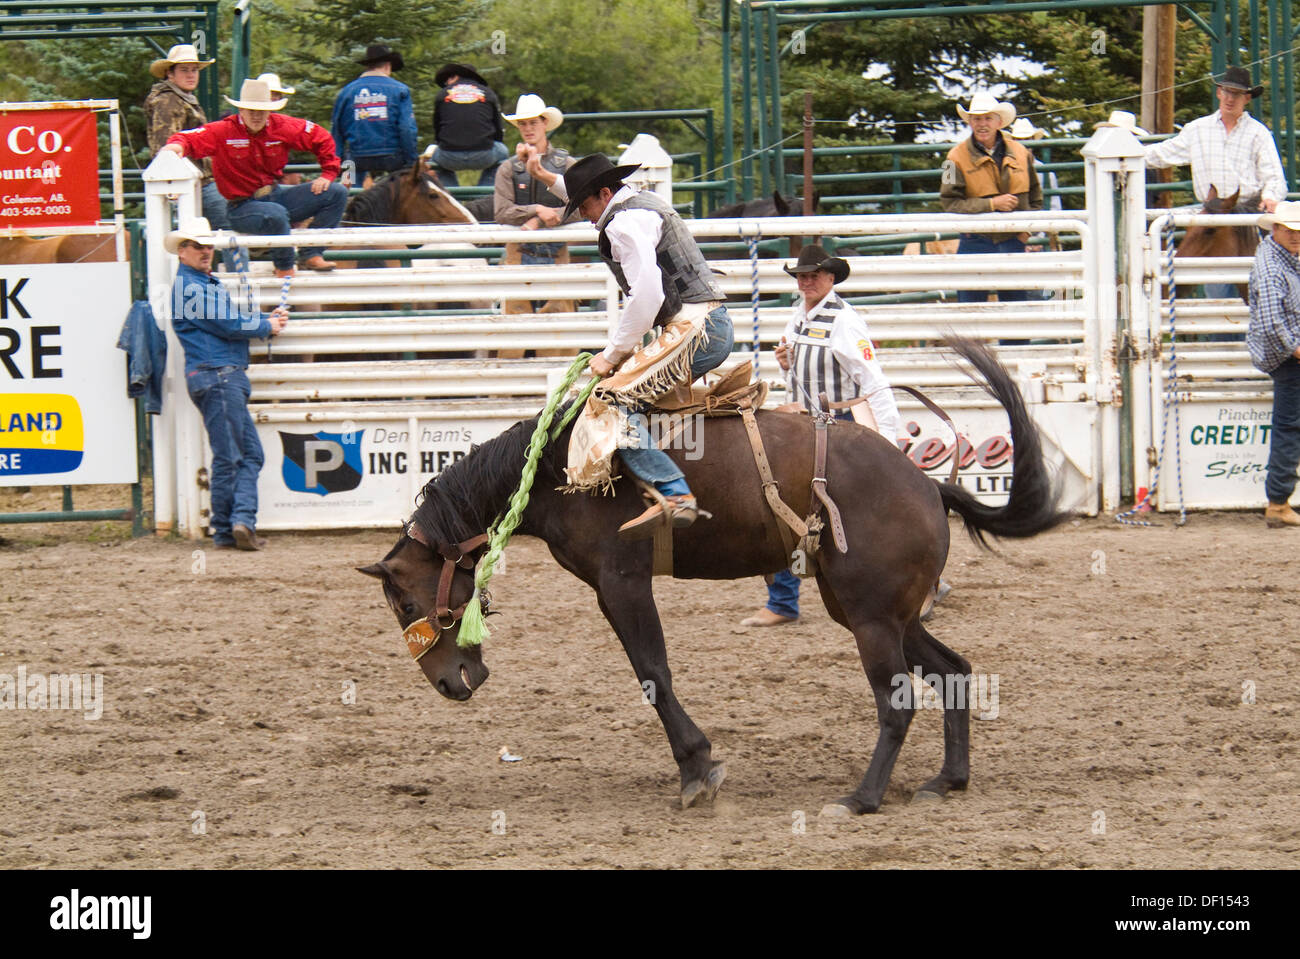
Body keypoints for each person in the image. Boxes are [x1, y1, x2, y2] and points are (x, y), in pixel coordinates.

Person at [541, 154, 735, 539]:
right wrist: (544, 176)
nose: (583, 215)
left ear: (606, 193)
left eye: (584, 206)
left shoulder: (623, 225)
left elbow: (646, 295)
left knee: (610, 399)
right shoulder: (639, 206)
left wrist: (611, 354)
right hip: (703, 322)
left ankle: (675, 493)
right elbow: (582, 190)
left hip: (694, 329)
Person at [739, 246, 904, 627]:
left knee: (843, 515)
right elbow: (799, 376)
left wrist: (887, 439)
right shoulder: (797, 318)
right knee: (788, 509)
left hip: (838, 433)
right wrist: (786, 366)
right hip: (806, 434)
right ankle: (782, 601)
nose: (805, 281)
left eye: (813, 275)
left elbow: (873, 382)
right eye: (800, 276)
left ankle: (784, 602)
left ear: (830, 278)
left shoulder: (844, 321)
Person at [166, 217, 288, 550]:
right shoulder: (193, 288)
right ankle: (239, 522)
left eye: (207, 245)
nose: (205, 251)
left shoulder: (195, 285)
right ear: (183, 251)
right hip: (220, 374)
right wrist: (266, 325)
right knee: (239, 455)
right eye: (197, 246)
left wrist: (264, 322)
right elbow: (229, 324)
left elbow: (226, 323)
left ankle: (228, 527)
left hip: (215, 375)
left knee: (236, 454)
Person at [160, 78, 346, 277]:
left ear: (270, 110)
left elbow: (321, 136)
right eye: (251, 110)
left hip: (275, 197)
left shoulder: (283, 126)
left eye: (262, 111)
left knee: (336, 193)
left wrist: (328, 173)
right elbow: (188, 138)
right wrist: (176, 146)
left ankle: (312, 253)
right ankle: (284, 268)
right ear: (241, 110)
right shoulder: (223, 131)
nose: (256, 116)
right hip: (242, 207)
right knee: (274, 214)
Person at [1145, 66, 1287, 299]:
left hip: (1245, 213)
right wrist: (1130, 155)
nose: (1230, 98)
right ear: (1219, 93)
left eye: (1237, 94)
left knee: (1261, 278)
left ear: (1247, 98)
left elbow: (1274, 176)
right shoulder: (1197, 129)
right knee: (1215, 285)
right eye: (1227, 92)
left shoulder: (1258, 133)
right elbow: (1162, 153)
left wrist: (1270, 196)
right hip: (1212, 213)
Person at [940, 91, 1043, 304]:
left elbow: (1036, 198)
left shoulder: (1022, 153)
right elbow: (949, 203)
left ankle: (1015, 339)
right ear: (970, 122)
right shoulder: (952, 158)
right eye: (977, 119)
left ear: (999, 122)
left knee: (1016, 309)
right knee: (970, 309)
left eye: (988, 118)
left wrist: (1025, 233)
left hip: (1013, 240)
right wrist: (991, 204)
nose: (982, 124)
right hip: (974, 241)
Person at [143, 44, 235, 270]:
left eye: (194, 70)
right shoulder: (168, 101)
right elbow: (166, 146)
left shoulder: (181, 98)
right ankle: (242, 281)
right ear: (170, 73)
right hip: (194, 183)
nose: (191, 75)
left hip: (195, 181)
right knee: (230, 228)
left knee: (211, 235)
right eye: (184, 70)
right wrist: (172, 181)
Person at [494, 94, 578, 329]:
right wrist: (539, 211)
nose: (528, 128)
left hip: (555, 251)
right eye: (523, 123)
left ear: (544, 123)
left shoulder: (566, 164)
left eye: (533, 122)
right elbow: (501, 211)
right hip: (519, 252)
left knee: (558, 320)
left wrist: (537, 221)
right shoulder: (509, 167)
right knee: (515, 324)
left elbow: (582, 206)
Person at [1247, 200, 1300, 528]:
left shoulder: (1283, 259)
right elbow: (1271, 322)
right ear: (1276, 229)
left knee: (1290, 426)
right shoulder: (1271, 267)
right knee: (1290, 426)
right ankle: (1278, 502)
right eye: (1290, 230)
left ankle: (1279, 501)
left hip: (1289, 354)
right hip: (1289, 358)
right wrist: (1297, 350)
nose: (1296, 236)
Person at [331, 44, 417, 189]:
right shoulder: (400, 89)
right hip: (392, 157)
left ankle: (351, 206)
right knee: (402, 190)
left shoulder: (347, 91)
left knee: (350, 188)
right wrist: (412, 161)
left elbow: (337, 128)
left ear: (368, 66)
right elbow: (406, 128)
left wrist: (336, 161)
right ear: (388, 66)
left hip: (356, 157)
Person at [429, 63, 508, 187]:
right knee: (503, 151)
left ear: (455, 76)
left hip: (448, 156)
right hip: (484, 154)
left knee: (431, 156)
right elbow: (498, 132)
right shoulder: (488, 93)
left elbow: (437, 131)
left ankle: (453, 198)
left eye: (448, 78)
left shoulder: (442, 95)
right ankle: (482, 195)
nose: (447, 82)